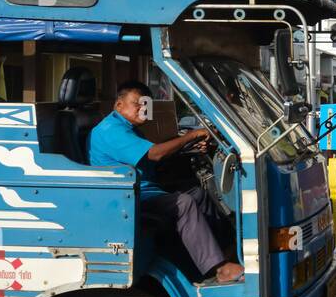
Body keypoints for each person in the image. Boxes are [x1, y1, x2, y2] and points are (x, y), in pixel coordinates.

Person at [89, 80, 244, 284]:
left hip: (145, 191)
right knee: (183, 203)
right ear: (119, 105)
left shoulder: (128, 128)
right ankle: (220, 268)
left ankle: (224, 252)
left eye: (146, 105)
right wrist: (192, 135)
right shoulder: (111, 130)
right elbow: (154, 153)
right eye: (138, 104)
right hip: (130, 199)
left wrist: (191, 146)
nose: (143, 109)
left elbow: (154, 149)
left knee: (197, 194)